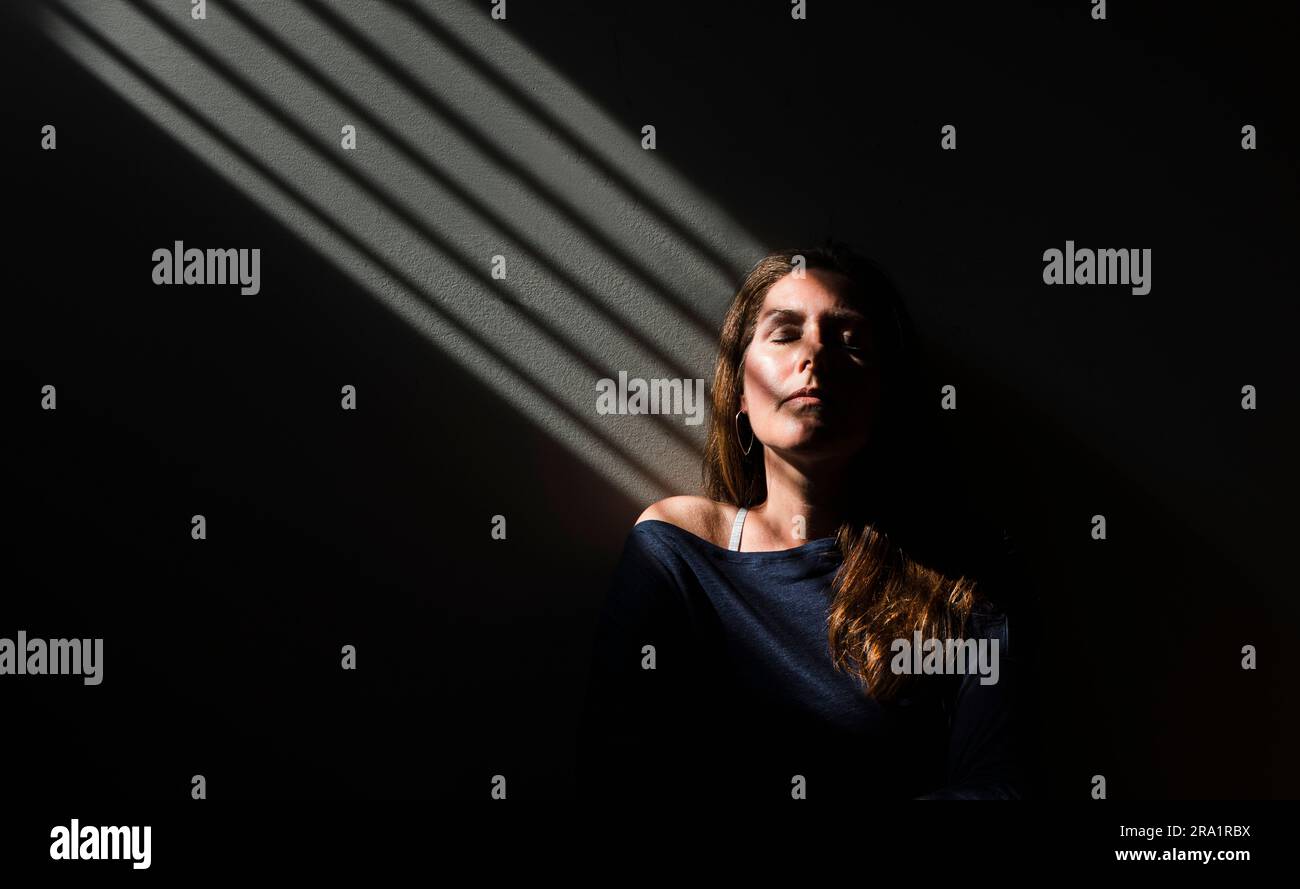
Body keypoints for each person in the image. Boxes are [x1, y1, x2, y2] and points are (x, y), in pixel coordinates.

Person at [577, 242, 1038, 800]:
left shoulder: (965, 576)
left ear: (886, 393)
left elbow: (1001, 790)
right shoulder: (678, 549)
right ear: (740, 391)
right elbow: (617, 765)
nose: (814, 357)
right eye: (785, 332)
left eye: (849, 339)